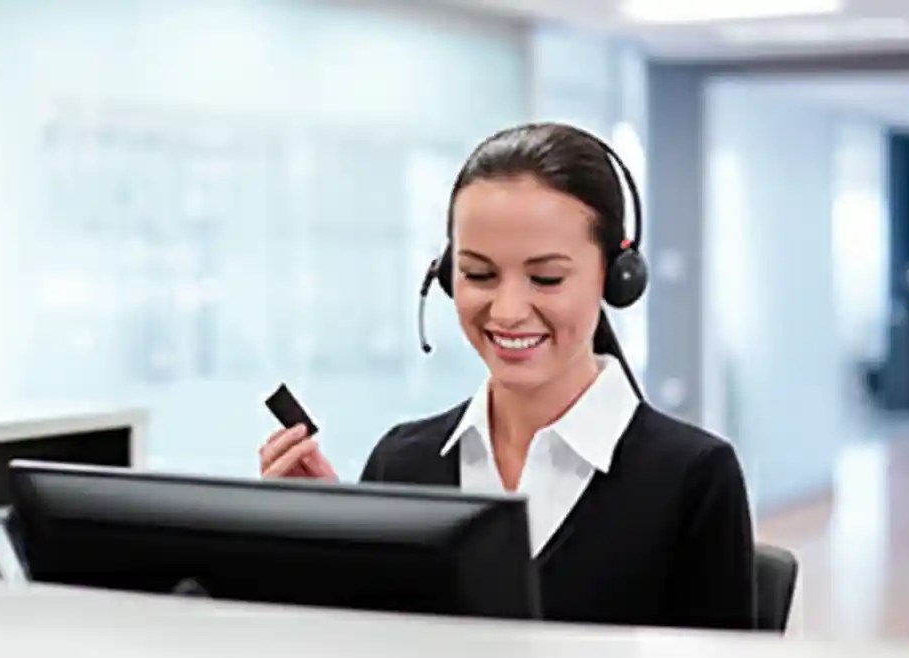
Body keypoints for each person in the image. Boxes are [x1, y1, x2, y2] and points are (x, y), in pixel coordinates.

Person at [257, 123, 754, 630]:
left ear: (616, 276)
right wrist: (331, 540)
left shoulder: (693, 479)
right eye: (478, 274)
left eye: (546, 278)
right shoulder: (402, 465)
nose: (509, 310)